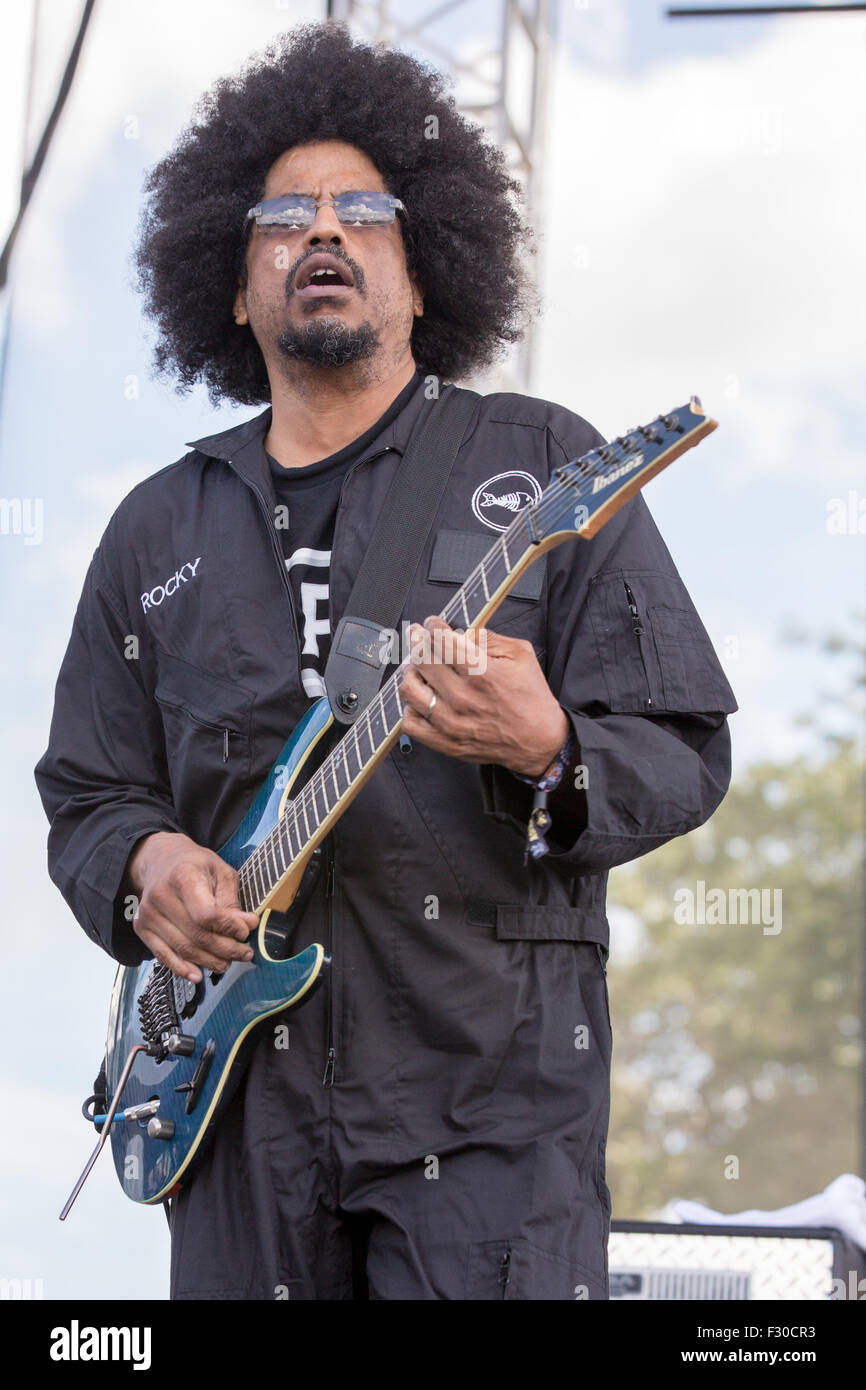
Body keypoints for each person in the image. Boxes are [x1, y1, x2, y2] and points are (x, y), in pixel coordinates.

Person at [34, 22, 737, 1300]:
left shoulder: (537, 466)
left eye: (365, 210)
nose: (323, 232)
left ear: (423, 274)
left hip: (486, 1112)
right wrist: (149, 869)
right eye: (279, 216)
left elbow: (682, 747)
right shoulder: (153, 528)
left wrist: (549, 749)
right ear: (230, 283)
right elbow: (86, 794)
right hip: (236, 1116)